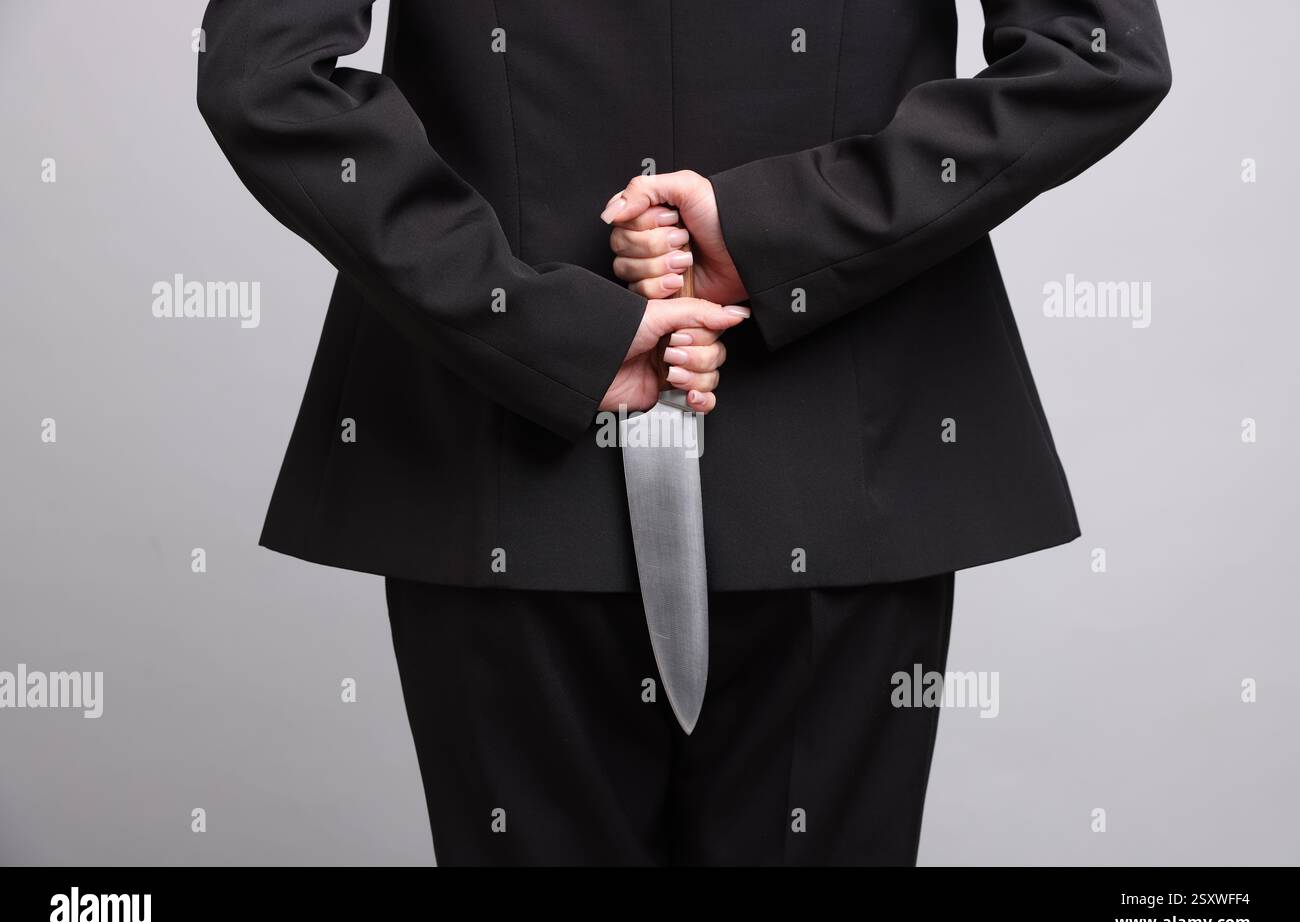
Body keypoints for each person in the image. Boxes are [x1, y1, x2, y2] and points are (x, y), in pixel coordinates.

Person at [196, 0, 1171, 865]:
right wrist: (773, 232)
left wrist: (537, 322)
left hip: (499, 466)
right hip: (843, 458)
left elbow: (262, 76)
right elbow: (1097, 52)